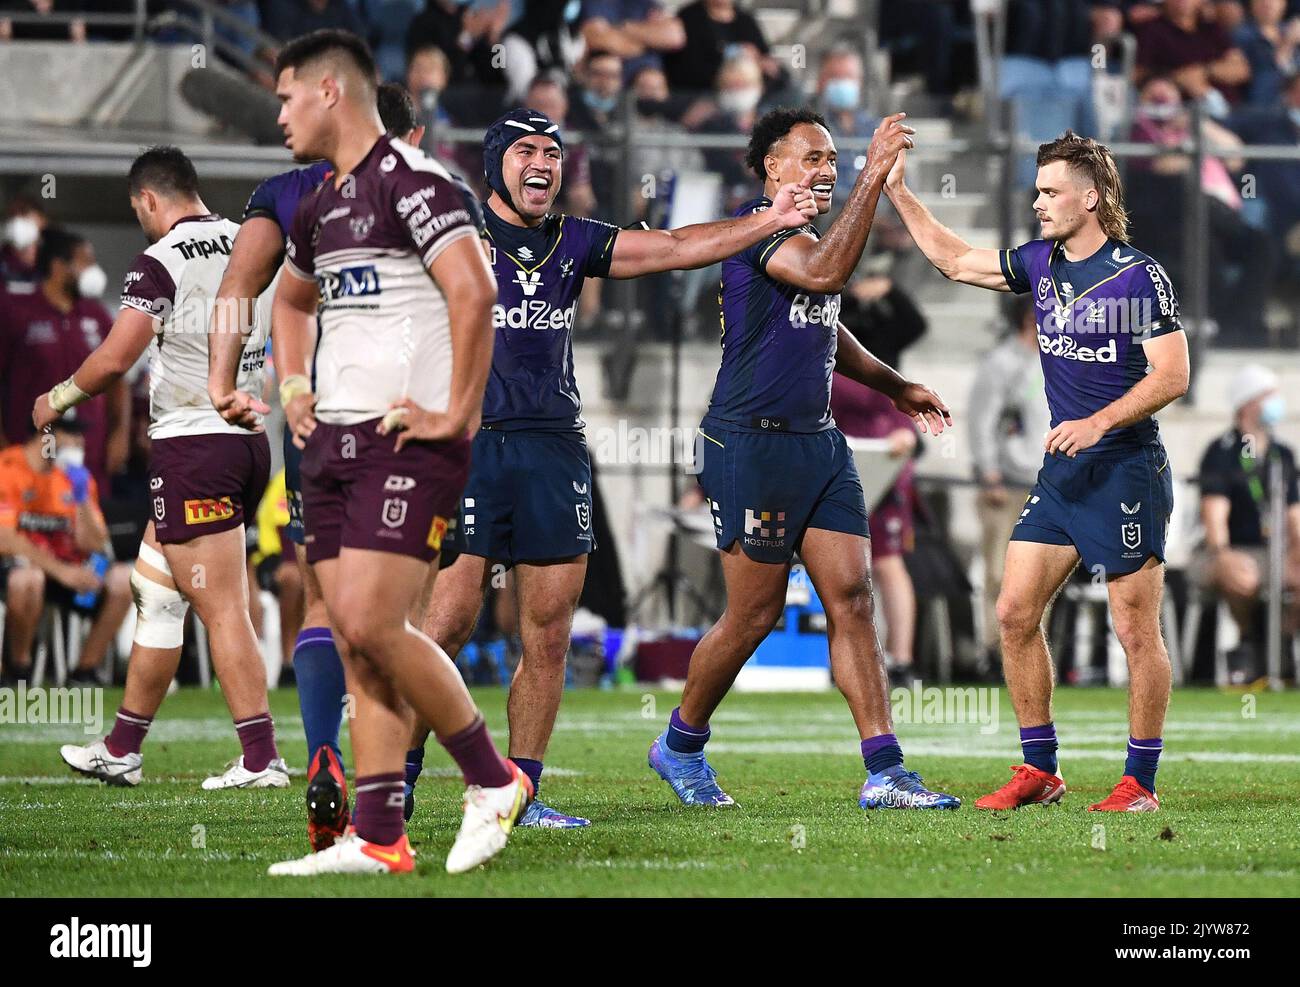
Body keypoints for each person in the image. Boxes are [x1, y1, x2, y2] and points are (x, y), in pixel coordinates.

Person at [402, 104, 819, 829]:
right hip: (473, 441)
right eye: (527, 150)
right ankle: (394, 783)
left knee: (551, 627)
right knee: (447, 622)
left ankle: (519, 794)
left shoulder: (572, 239)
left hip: (557, 446)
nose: (543, 164)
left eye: (554, 154)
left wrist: (767, 218)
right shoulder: (457, 234)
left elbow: (675, 247)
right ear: (496, 161)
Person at [262, 28, 526, 877]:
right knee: (353, 636)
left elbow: (474, 289)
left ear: (331, 91)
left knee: (378, 621)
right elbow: (292, 300)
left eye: (285, 97)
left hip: (405, 441)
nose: (279, 116)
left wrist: (460, 411)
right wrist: (294, 385)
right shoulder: (319, 200)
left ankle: (492, 777)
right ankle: (379, 835)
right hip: (329, 440)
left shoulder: (417, 184)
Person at [647, 107, 960, 812]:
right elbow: (822, 277)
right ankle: (680, 742)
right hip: (749, 442)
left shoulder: (808, 239)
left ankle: (886, 770)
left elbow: (826, 321)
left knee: (852, 598)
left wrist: (895, 384)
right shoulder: (756, 227)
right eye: (810, 157)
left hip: (818, 442)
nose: (825, 168)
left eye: (832, 158)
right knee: (753, 616)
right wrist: (873, 178)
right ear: (772, 168)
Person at [887, 130, 1190, 812]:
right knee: (1014, 610)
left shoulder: (1137, 275)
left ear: (1091, 197)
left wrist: (1099, 421)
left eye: (1051, 191)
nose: (1039, 201)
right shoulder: (1039, 263)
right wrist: (899, 192)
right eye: (1038, 189)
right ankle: (1041, 770)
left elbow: (1174, 374)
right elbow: (957, 261)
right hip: (1062, 474)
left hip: (1124, 468)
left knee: (1136, 629)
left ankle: (1138, 782)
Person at [208, 80, 438, 853]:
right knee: (398, 615)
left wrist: (230, 383)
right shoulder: (426, 188)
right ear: (410, 130)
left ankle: (323, 756)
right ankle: (403, 786)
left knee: (321, 602)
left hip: (320, 413)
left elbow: (240, 290)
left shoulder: (287, 192)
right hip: (413, 416)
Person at [44, 146, 287, 792]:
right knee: (156, 590)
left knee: (223, 606)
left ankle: (261, 756)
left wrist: (56, 397)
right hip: (245, 440)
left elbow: (114, 359)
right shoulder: (250, 239)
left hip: (194, 447)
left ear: (149, 200)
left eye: (136, 210)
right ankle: (123, 745)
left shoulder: (163, 259)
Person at [0, 417, 131, 685]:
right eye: (69, 433)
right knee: (29, 580)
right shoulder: (8, 468)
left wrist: (82, 500)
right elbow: (6, 539)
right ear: (44, 435)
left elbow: (94, 544)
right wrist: (61, 572)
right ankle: (19, 668)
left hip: (70, 570)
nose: (78, 442)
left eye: (79, 434)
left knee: (123, 580)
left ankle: (85, 669)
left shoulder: (75, 477)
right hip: (24, 569)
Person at [0, 227, 127, 495]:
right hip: (29, 453)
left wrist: (120, 434)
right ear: (59, 267)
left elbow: (118, 379)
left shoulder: (97, 315)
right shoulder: (15, 313)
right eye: (85, 262)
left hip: (90, 454)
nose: (93, 270)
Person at [1197, 364, 1300, 679]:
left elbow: (1293, 513)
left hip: (1274, 550)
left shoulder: (1282, 454)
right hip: (1231, 548)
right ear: (1248, 403)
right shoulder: (1222, 452)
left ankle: (1279, 644)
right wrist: (1222, 553)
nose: (1275, 402)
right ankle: (1250, 639)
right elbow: (1215, 515)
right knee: (1242, 577)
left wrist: (1296, 552)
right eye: (1269, 395)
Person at [968, 297, 1052, 672]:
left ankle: (1032, 652)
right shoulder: (1002, 362)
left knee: (1039, 577)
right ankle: (994, 651)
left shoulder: (1060, 362)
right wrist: (989, 472)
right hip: (1006, 482)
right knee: (999, 572)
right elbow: (982, 419)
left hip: (1046, 485)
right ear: (1031, 317)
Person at [829, 370, 920, 686]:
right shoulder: (816, 372)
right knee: (836, 571)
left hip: (880, 483)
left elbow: (905, 423)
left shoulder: (873, 372)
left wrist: (904, 435)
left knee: (888, 566)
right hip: (831, 480)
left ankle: (901, 661)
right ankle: (840, 659)